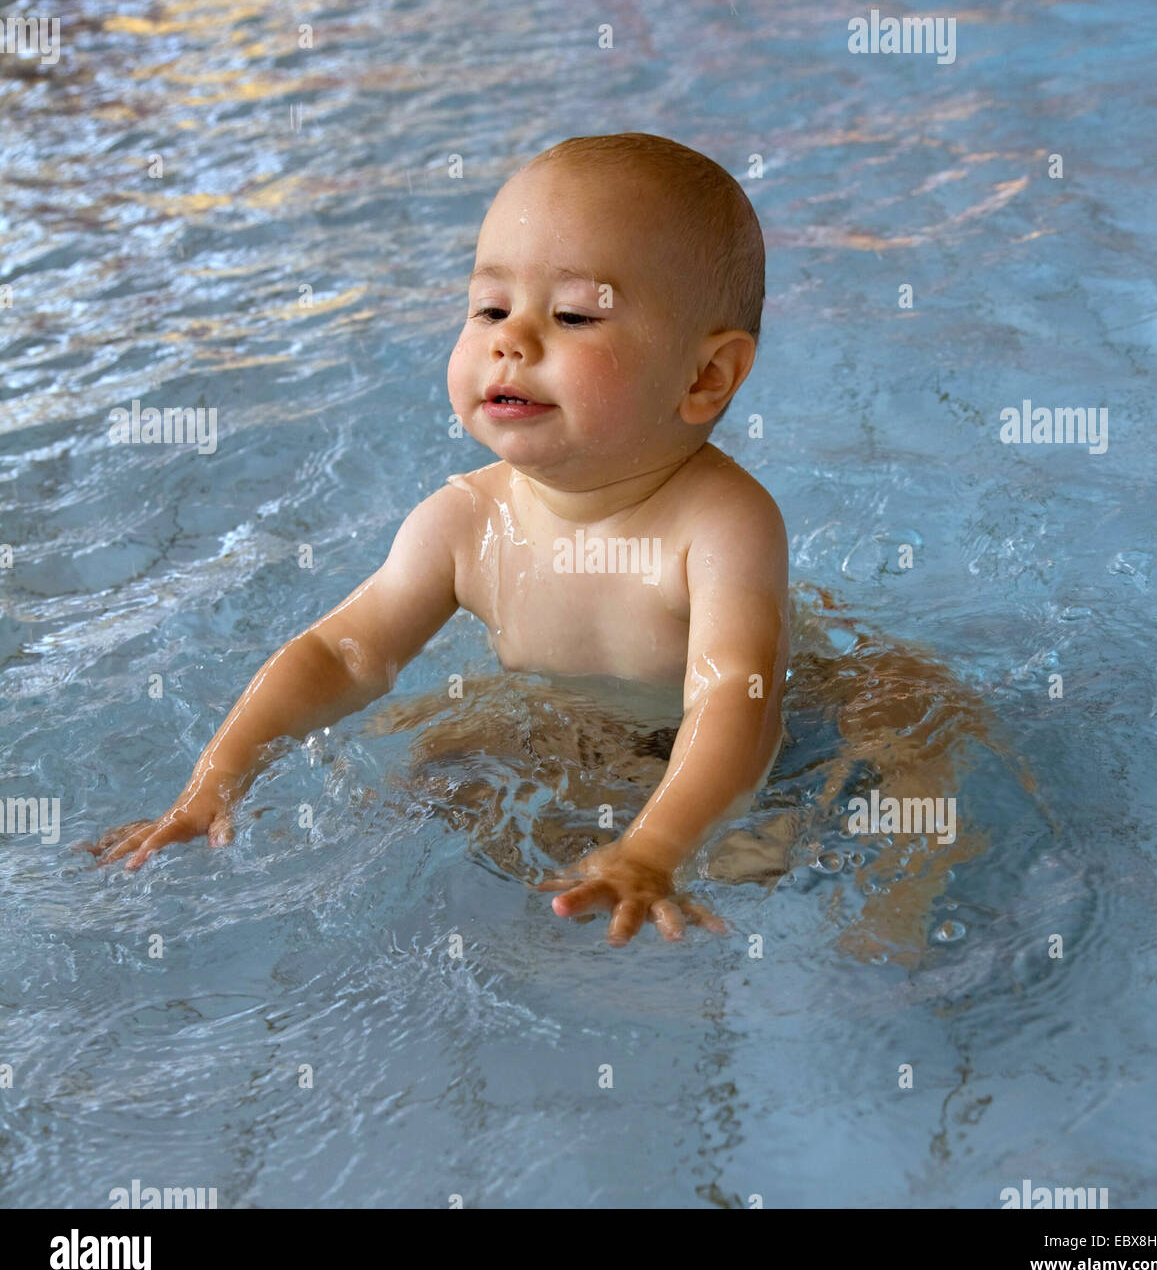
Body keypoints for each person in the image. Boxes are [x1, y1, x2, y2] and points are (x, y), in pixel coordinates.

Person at [92, 132, 790, 949]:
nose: (512, 341)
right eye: (490, 308)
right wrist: (215, 782)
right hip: (559, 729)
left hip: (728, 746)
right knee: (422, 770)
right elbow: (344, 655)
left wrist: (655, 846)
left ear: (704, 377)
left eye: (571, 316)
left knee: (767, 854)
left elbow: (734, 697)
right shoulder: (464, 520)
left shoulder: (721, 525)